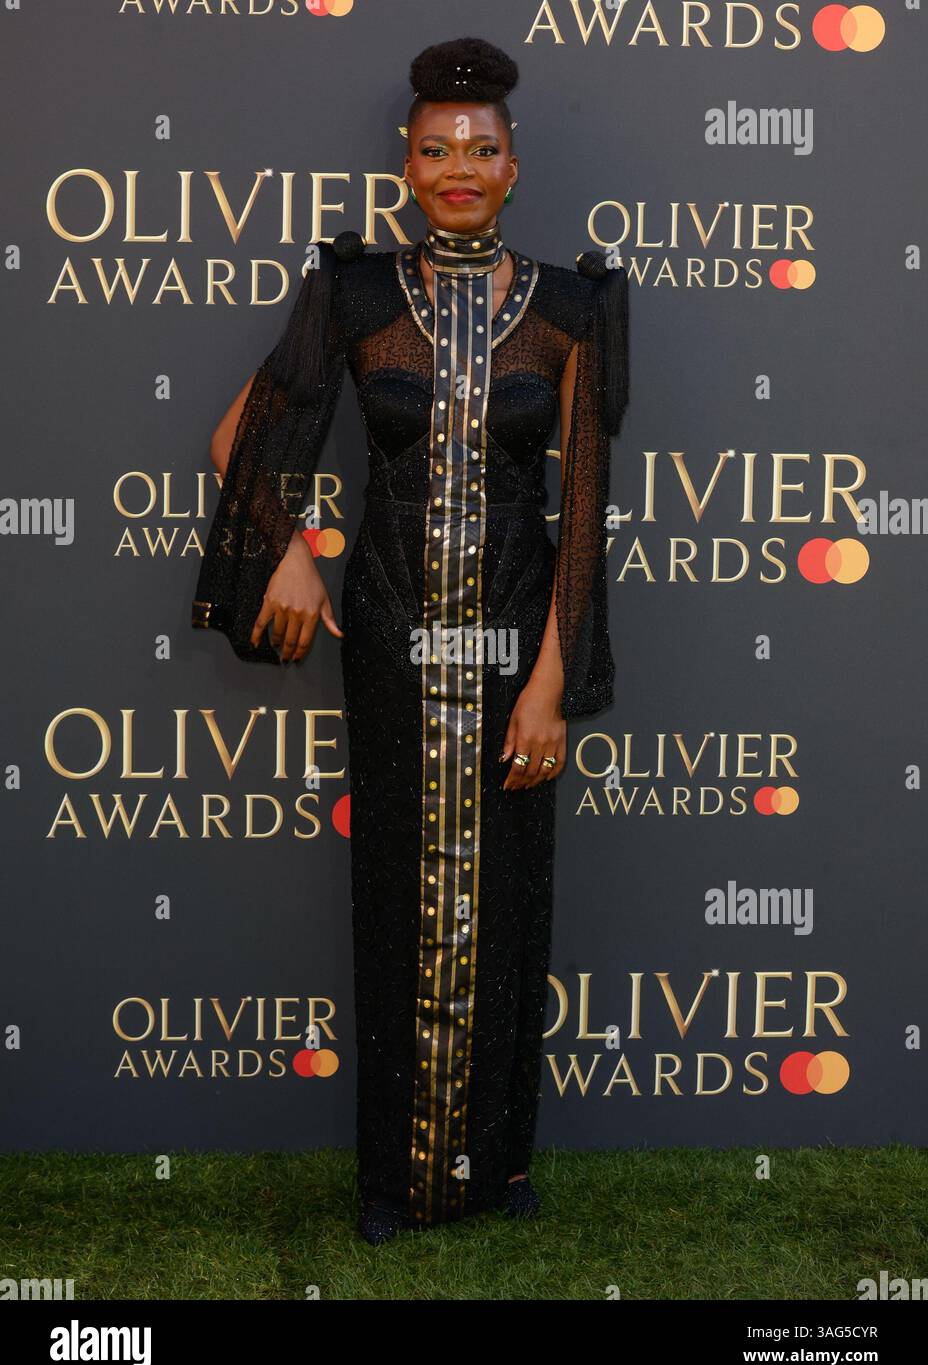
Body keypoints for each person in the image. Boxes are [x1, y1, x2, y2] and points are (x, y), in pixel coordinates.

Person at [191, 35, 629, 1245]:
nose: (458, 167)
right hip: (388, 636)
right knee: (392, 895)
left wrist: (552, 680)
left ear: (512, 167)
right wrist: (285, 544)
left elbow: (581, 513)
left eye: (480, 149)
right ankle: (393, 1177)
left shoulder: (575, 307)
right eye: (435, 148)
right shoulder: (358, 292)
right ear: (407, 165)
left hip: (510, 646)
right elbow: (240, 437)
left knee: (511, 899)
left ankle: (500, 1166)